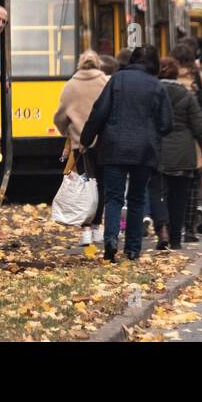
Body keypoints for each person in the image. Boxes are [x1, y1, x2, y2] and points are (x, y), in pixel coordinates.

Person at [80, 45, 172, 262]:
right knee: (137, 199)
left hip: (114, 148)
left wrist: (86, 139)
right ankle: (132, 249)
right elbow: (167, 124)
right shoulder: (157, 86)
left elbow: (99, 111)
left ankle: (111, 240)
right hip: (144, 150)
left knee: (113, 197)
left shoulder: (117, 80)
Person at [53, 50, 110, 247]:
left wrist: (66, 132)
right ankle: (97, 227)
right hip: (103, 143)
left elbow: (60, 117)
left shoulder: (70, 85)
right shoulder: (105, 82)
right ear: (98, 64)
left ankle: (85, 230)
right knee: (101, 186)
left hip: (80, 144)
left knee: (84, 185)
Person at [157, 55, 202, 249]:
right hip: (183, 152)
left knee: (159, 193)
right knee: (179, 197)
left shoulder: (154, 92)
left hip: (159, 150)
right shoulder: (187, 95)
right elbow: (199, 125)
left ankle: (162, 229)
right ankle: (175, 239)